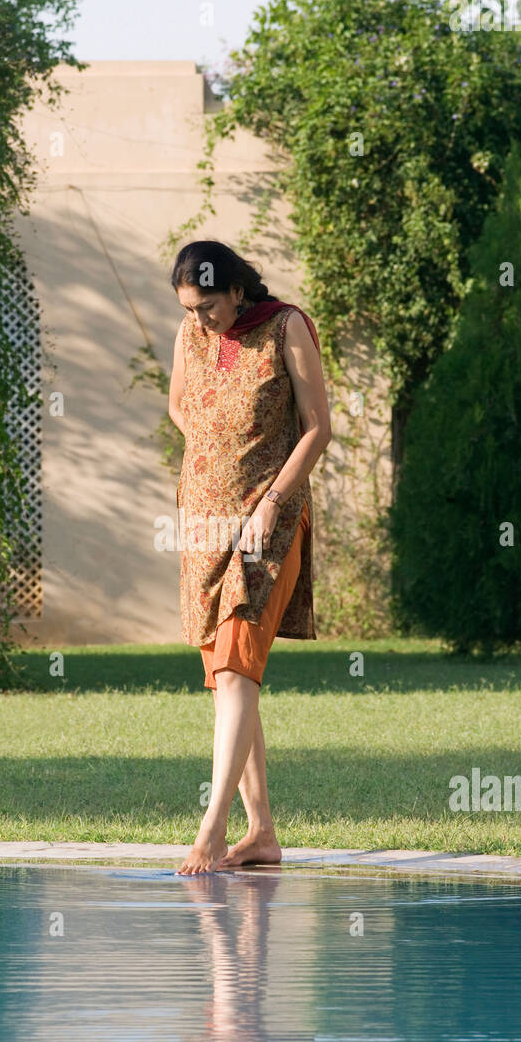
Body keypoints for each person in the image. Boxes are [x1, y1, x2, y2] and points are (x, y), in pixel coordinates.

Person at [168, 240, 332, 875]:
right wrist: (212, 450)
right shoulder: (191, 333)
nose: (201, 318)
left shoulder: (287, 326)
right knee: (226, 678)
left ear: (238, 289)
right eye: (190, 307)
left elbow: (318, 425)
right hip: (204, 517)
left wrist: (270, 499)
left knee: (238, 667)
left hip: (268, 518)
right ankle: (261, 833)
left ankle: (211, 829)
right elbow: (179, 405)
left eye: (209, 305)